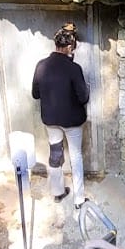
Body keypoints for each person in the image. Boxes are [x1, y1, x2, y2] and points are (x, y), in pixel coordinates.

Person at [31, 22, 89, 207]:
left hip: (50, 120)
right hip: (72, 121)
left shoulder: (41, 65)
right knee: (76, 155)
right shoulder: (74, 68)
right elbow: (83, 98)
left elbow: (35, 94)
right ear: (70, 47)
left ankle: (57, 192)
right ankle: (79, 198)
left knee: (55, 153)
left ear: (56, 44)